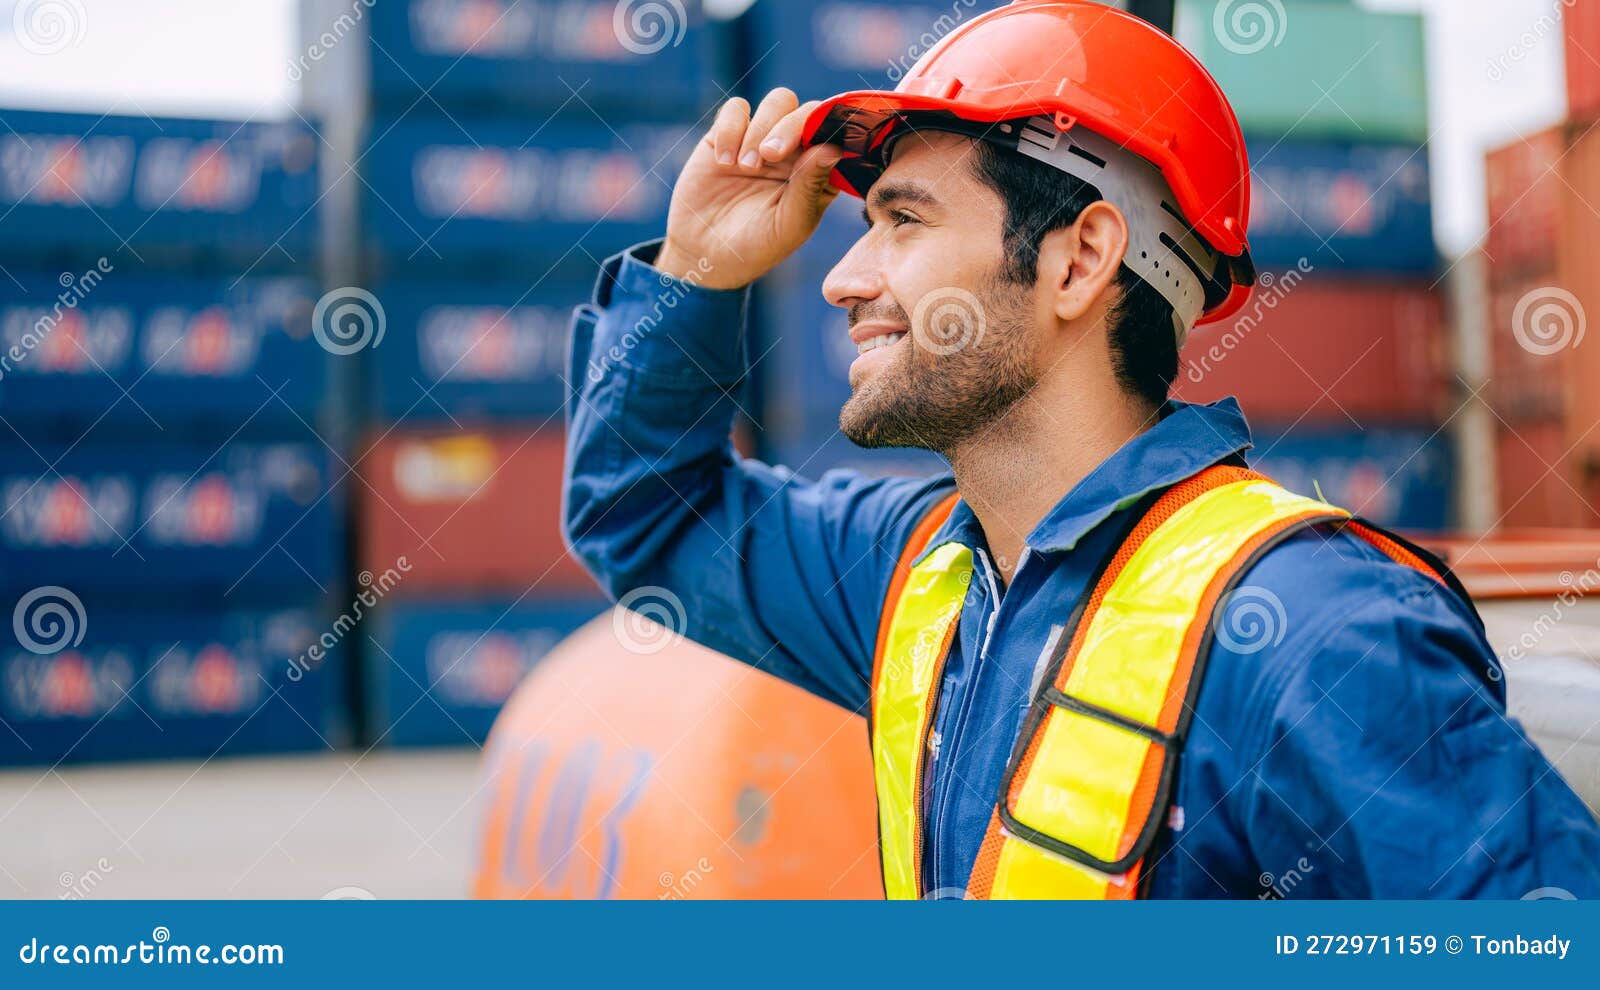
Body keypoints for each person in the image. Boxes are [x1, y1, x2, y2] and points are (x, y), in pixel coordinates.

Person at [562, 0, 1600, 898]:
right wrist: (693, 271)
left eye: (903, 224)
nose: (842, 280)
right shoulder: (918, 577)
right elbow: (649, 515)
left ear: (1079, 260)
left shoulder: (1315, 639)